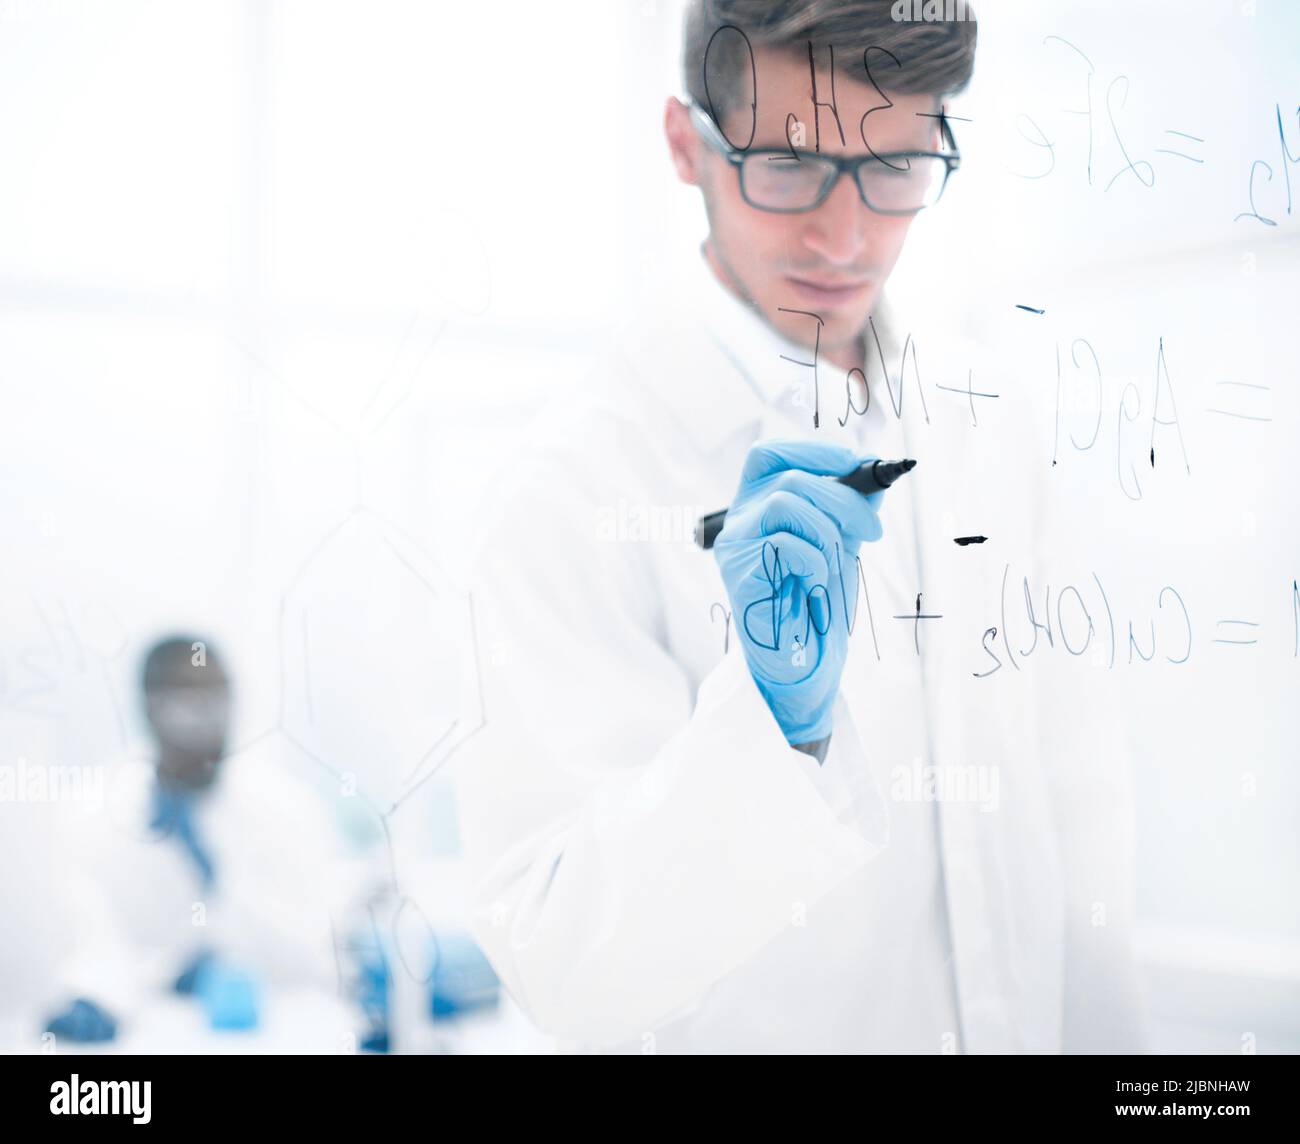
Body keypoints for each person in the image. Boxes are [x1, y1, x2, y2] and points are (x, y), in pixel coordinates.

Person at [456, 0, 1148, 1053]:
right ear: (687, 146)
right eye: (786, 165)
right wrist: (773, 729)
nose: (846, 234)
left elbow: (1080, 853)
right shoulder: (568, 488)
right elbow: (563, 968)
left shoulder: (991, 431)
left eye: (896, 166)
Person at [47, 636, 348, 1039]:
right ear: (149, 709)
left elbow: (317, 955)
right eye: (190, 710)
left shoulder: (287, 810)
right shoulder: (97, 815)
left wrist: (218, 882)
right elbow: (87, 942)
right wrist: (128, 984)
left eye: (218, 704)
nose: (209, 729)